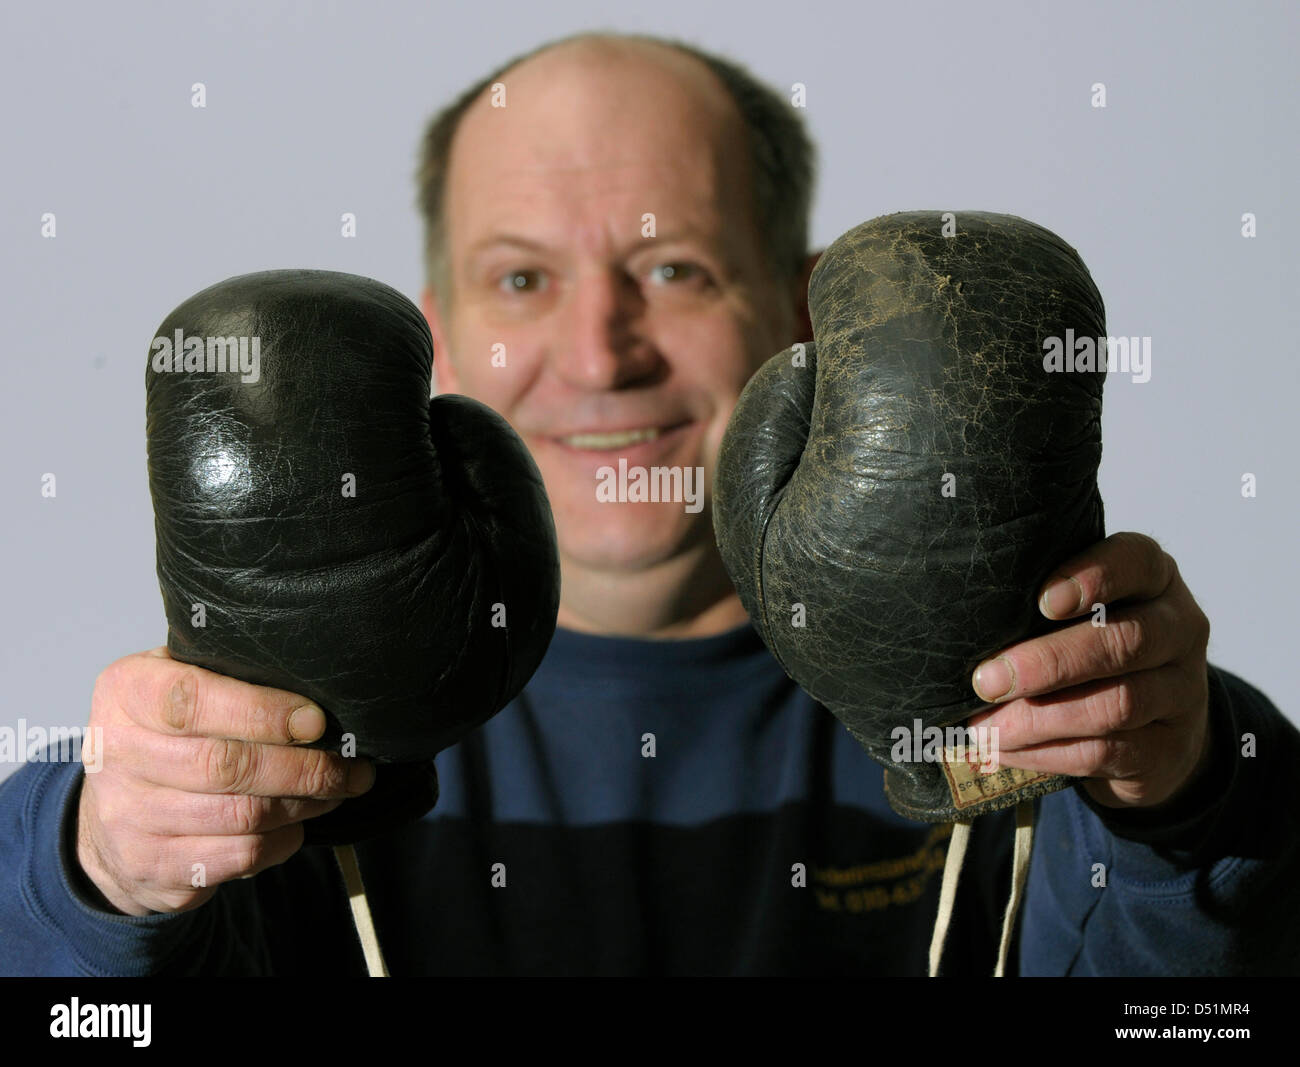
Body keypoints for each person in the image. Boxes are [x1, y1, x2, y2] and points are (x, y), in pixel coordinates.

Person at [2, 31, 1296, 976]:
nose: (601, 349)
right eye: (520, 282)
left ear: (806, 315)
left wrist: (1188, 786)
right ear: (437, 340)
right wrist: (98, 861)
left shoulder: (1010, 700)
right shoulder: (287, 728)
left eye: (671, 266)